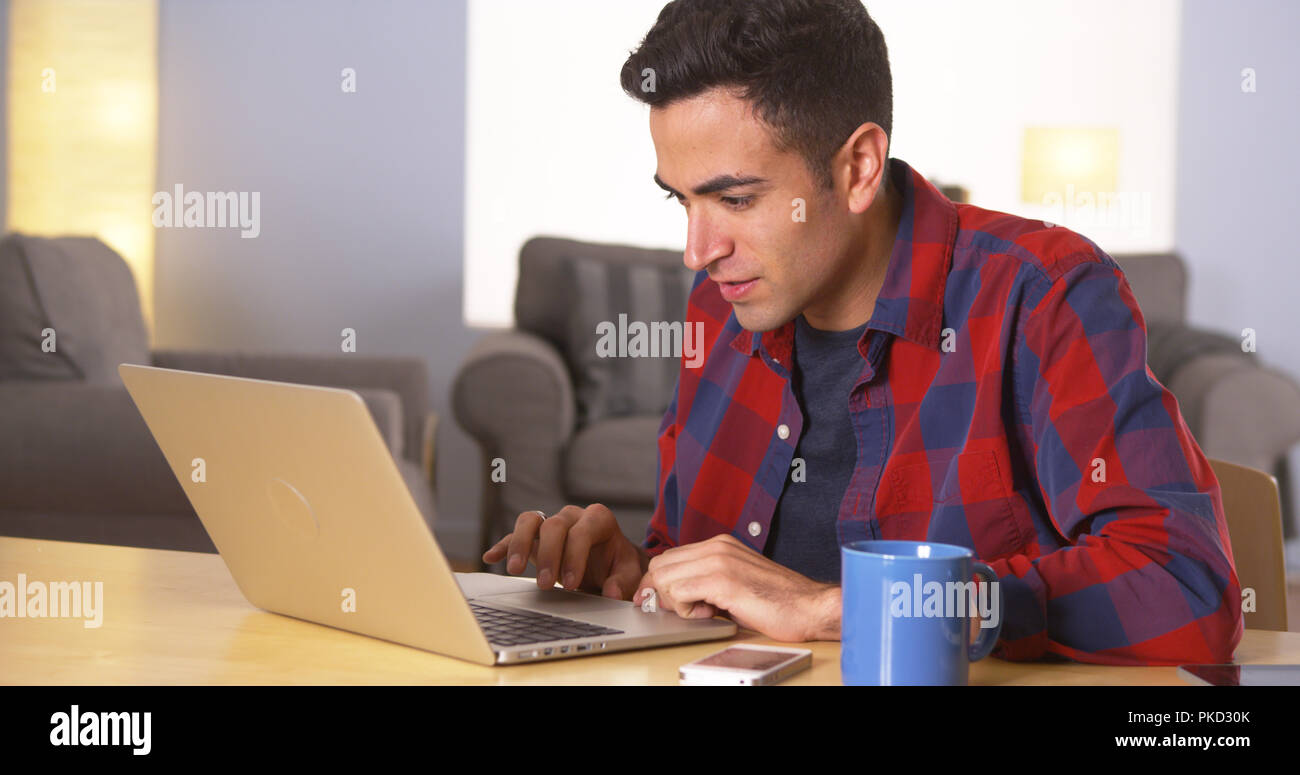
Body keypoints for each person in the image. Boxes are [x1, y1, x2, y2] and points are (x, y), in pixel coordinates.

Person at [483, 0, 1242, 665]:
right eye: (681, 201)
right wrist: (631, 575)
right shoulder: (718, 306)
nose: (698, 249)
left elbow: (1187, 588)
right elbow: (711, 581)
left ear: (858, 167)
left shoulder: (1039, 294)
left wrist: (842, 608)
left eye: (737, 199)